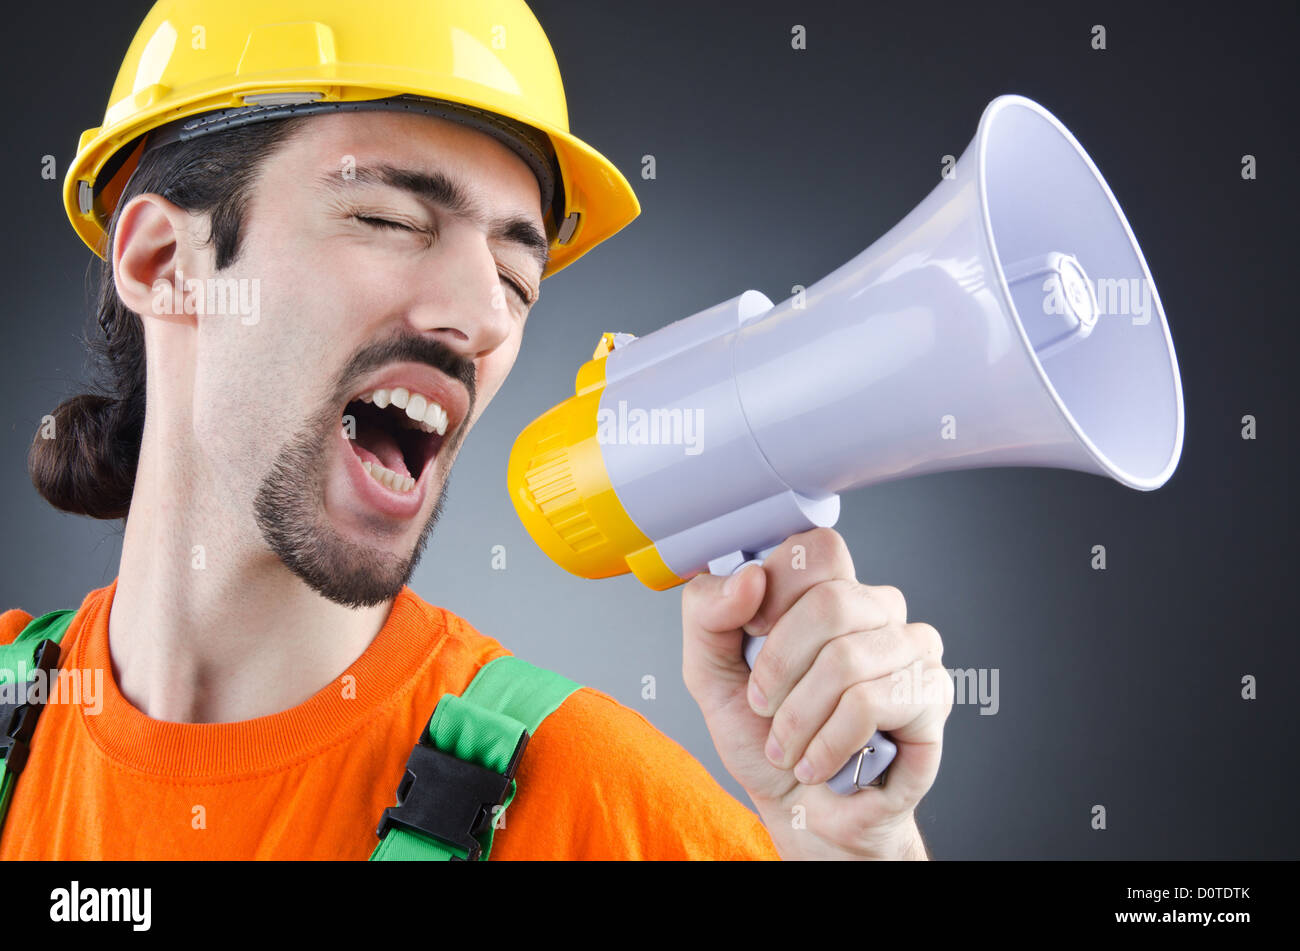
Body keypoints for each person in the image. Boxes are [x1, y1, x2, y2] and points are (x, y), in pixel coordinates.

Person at [0, 0, 951, 860]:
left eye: (517, 275)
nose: (485, 317)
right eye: (386, 216)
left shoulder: (605, 810)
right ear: (166, 260)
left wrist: (852, 851)